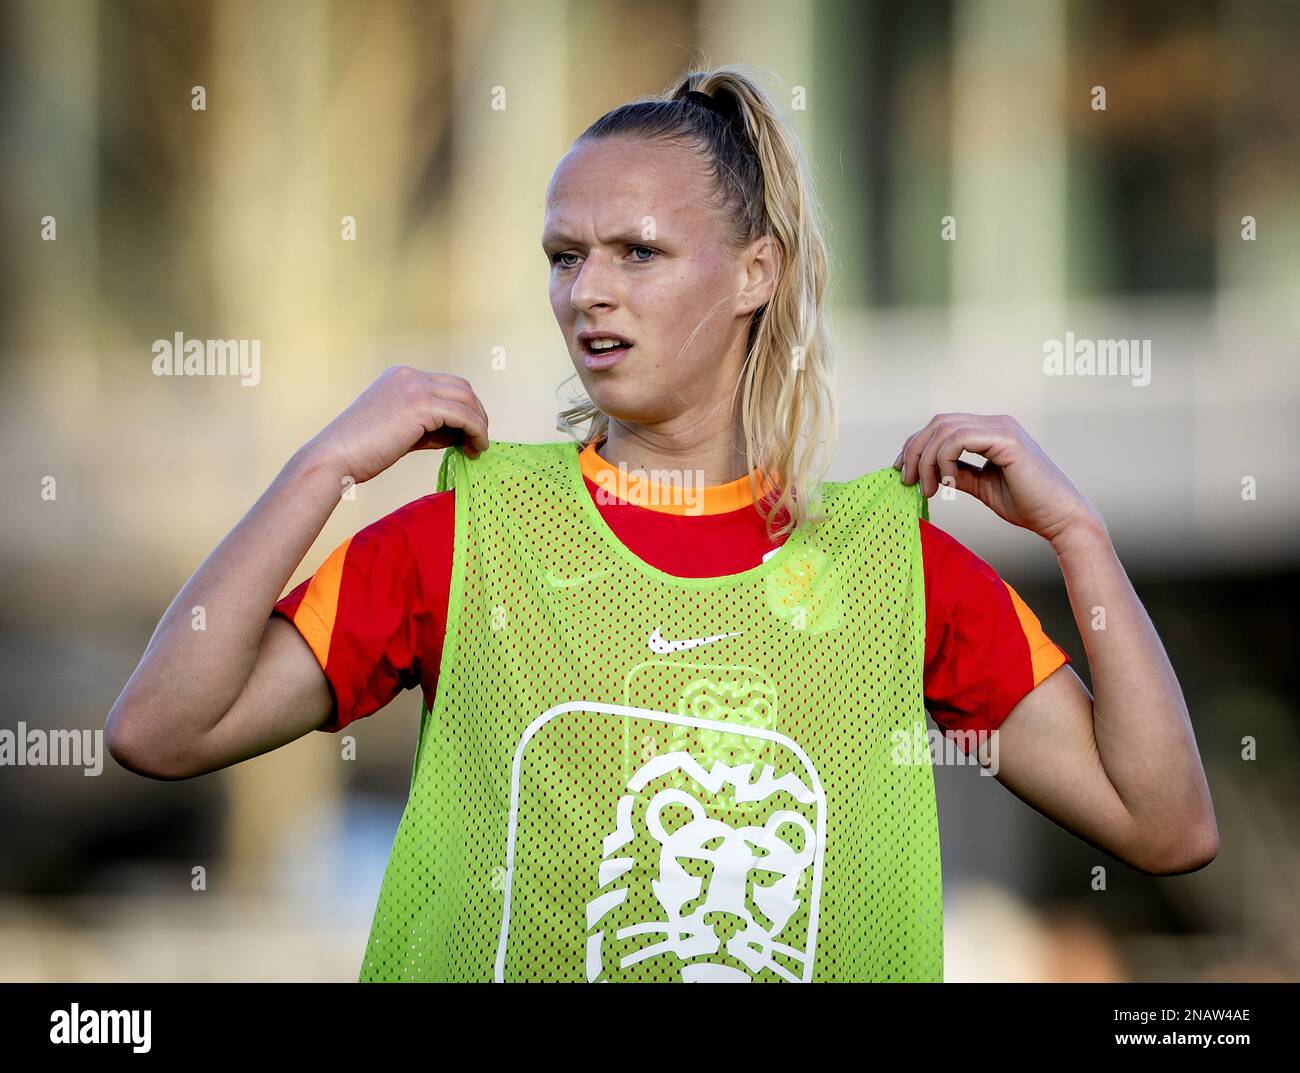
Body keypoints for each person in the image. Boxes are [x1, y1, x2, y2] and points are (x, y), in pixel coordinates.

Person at [106, 65, 1218, 983]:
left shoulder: (892, 569)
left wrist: (1079, 541)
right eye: (563, 255)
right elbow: (160, 731)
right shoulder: (466, 535)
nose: (587, 290)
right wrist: (322, 466)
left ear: (755, 272)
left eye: (636, 252)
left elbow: (1165, 826)